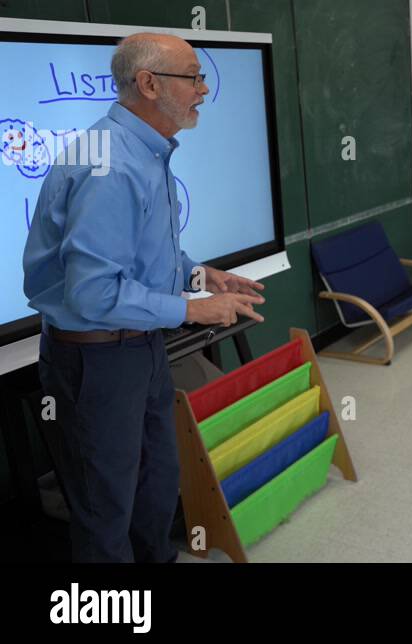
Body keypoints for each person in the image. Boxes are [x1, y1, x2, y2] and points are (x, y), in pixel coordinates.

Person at [22, 32, 266, 563]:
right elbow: (92, 291)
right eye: (193, 77)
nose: (204, 89)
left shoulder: (143, 151)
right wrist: (192, 309)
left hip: (140, 349)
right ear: (149, 84)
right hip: (96, 359)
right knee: (105, 510)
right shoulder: (110, 164)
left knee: (155, 486)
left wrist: (200, 275)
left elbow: (142, 252)